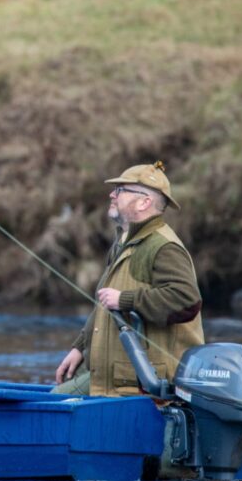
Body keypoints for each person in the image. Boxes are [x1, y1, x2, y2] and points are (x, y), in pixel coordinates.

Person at [53, 161, 204, 397]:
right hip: (116, 377)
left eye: (121, 190)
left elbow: (186, 300)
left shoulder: (163, 247)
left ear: (144, 202)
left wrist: (126, 299)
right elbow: (105, 304)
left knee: (56, 404)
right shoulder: (124, 241)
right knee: (56, 401)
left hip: (146, 382)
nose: (112, 194)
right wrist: (80, 347)